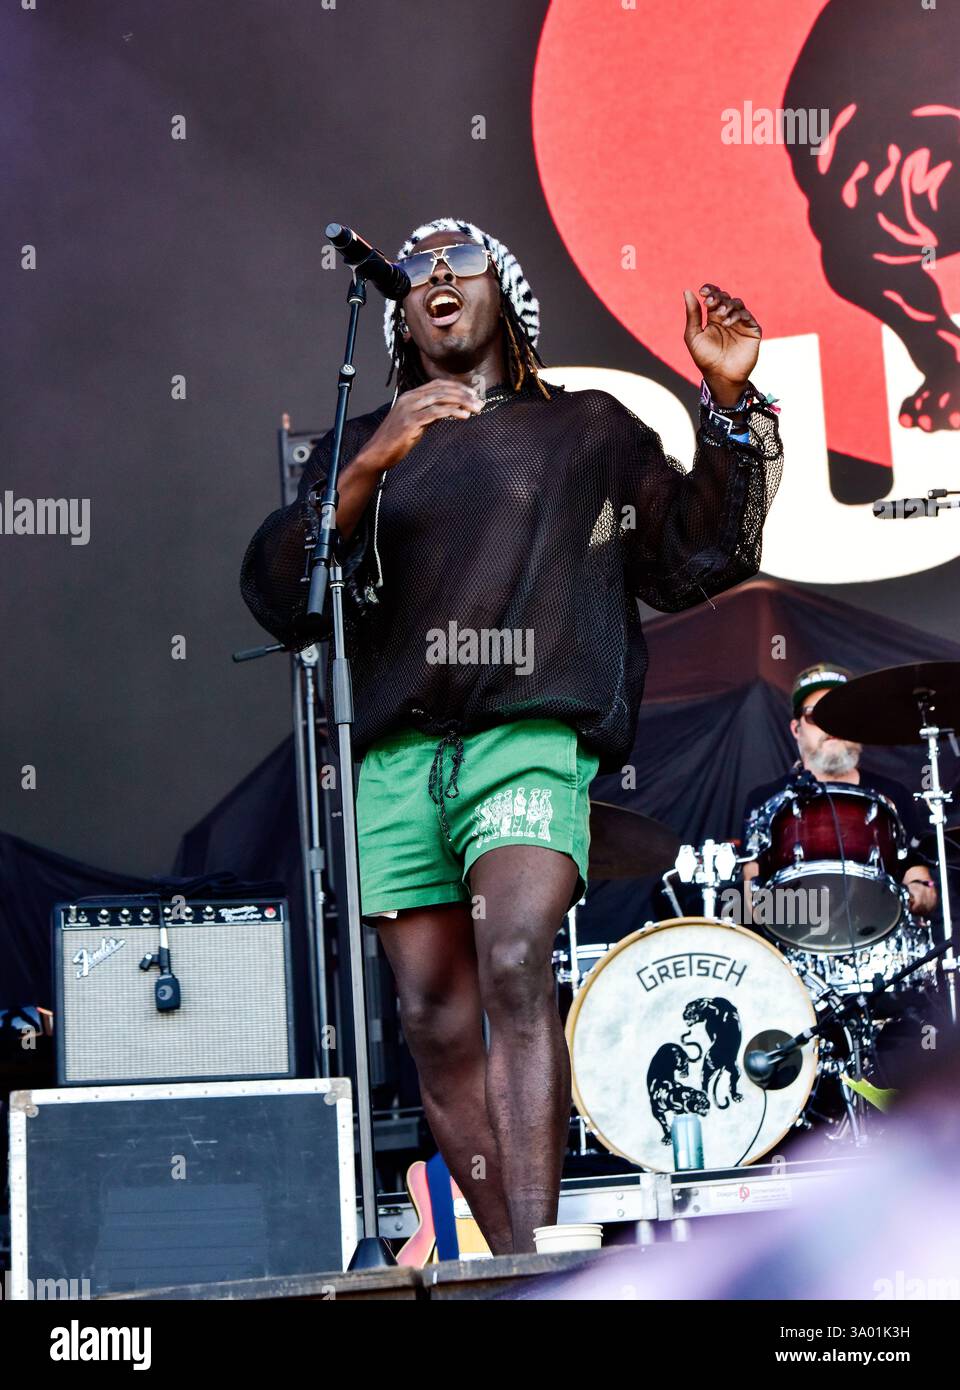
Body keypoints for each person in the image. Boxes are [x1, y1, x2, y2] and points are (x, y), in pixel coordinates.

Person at [240, 217, 783, 1254]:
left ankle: (535, 1279)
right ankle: (522, 1271)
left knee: (517, 955)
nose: (436, 275)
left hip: (527, 738)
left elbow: (695, 550)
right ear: (400, 305)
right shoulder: (363, 441)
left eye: (462, 259)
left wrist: (728, 403)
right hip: (398, 758)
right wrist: (362, 475)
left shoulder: (585, 428)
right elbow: (282, 593)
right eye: (418, 267)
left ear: (509, 296)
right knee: (435, 1025)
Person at [741, 663, 937, 919]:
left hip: (879, 942)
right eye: (815, 716)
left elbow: (922, 884)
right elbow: (753, 897)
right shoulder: (765, 800)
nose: (829, 725)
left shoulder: (893, 794)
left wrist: (913, 895)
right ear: (796, 729)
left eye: (840, 713)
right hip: (794, 940)